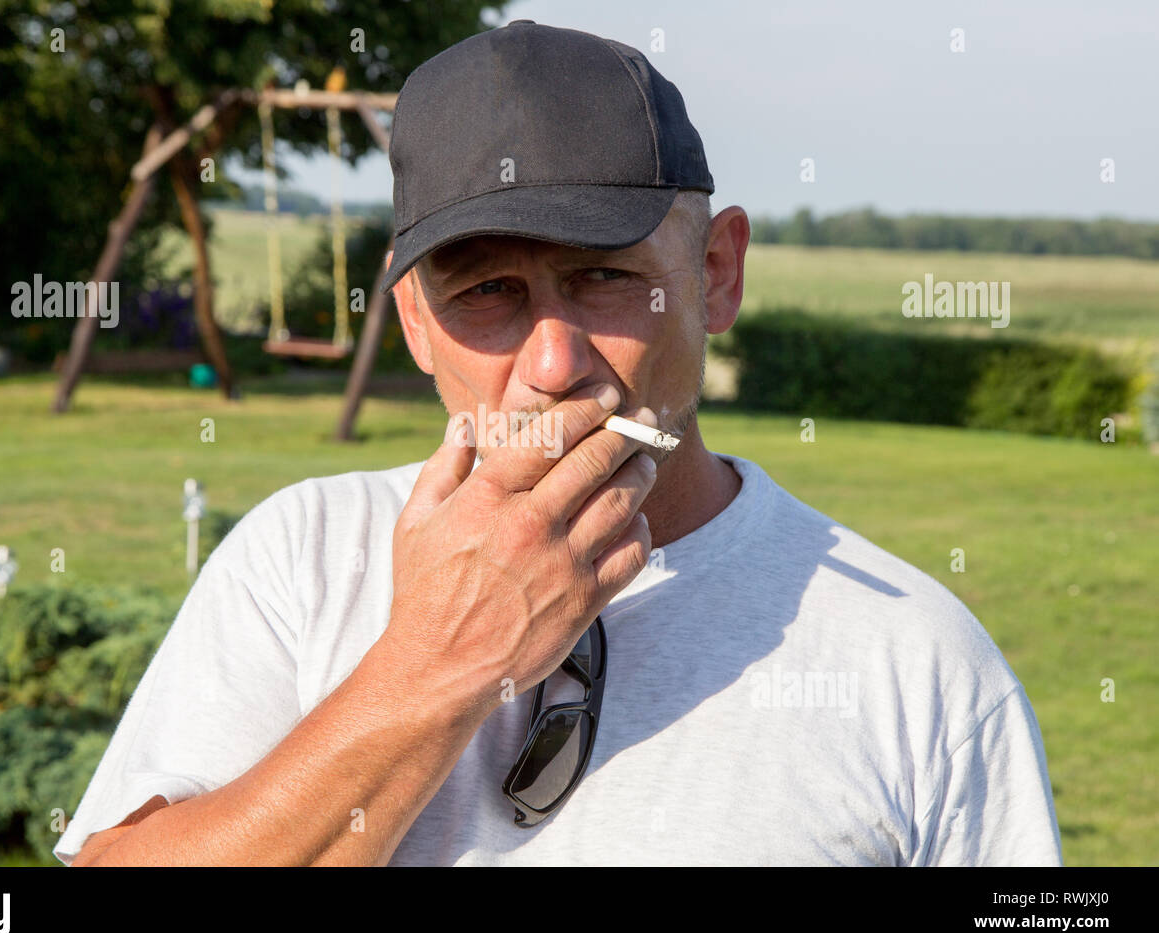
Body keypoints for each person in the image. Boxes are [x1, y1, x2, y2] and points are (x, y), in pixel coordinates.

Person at [56, 20, 1061, 866]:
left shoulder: (914, 657)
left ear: (715, 273)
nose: (550, 362)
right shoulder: (303, 557)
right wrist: (436, 663)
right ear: (412, 322)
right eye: (487, 293)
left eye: (603, 279)